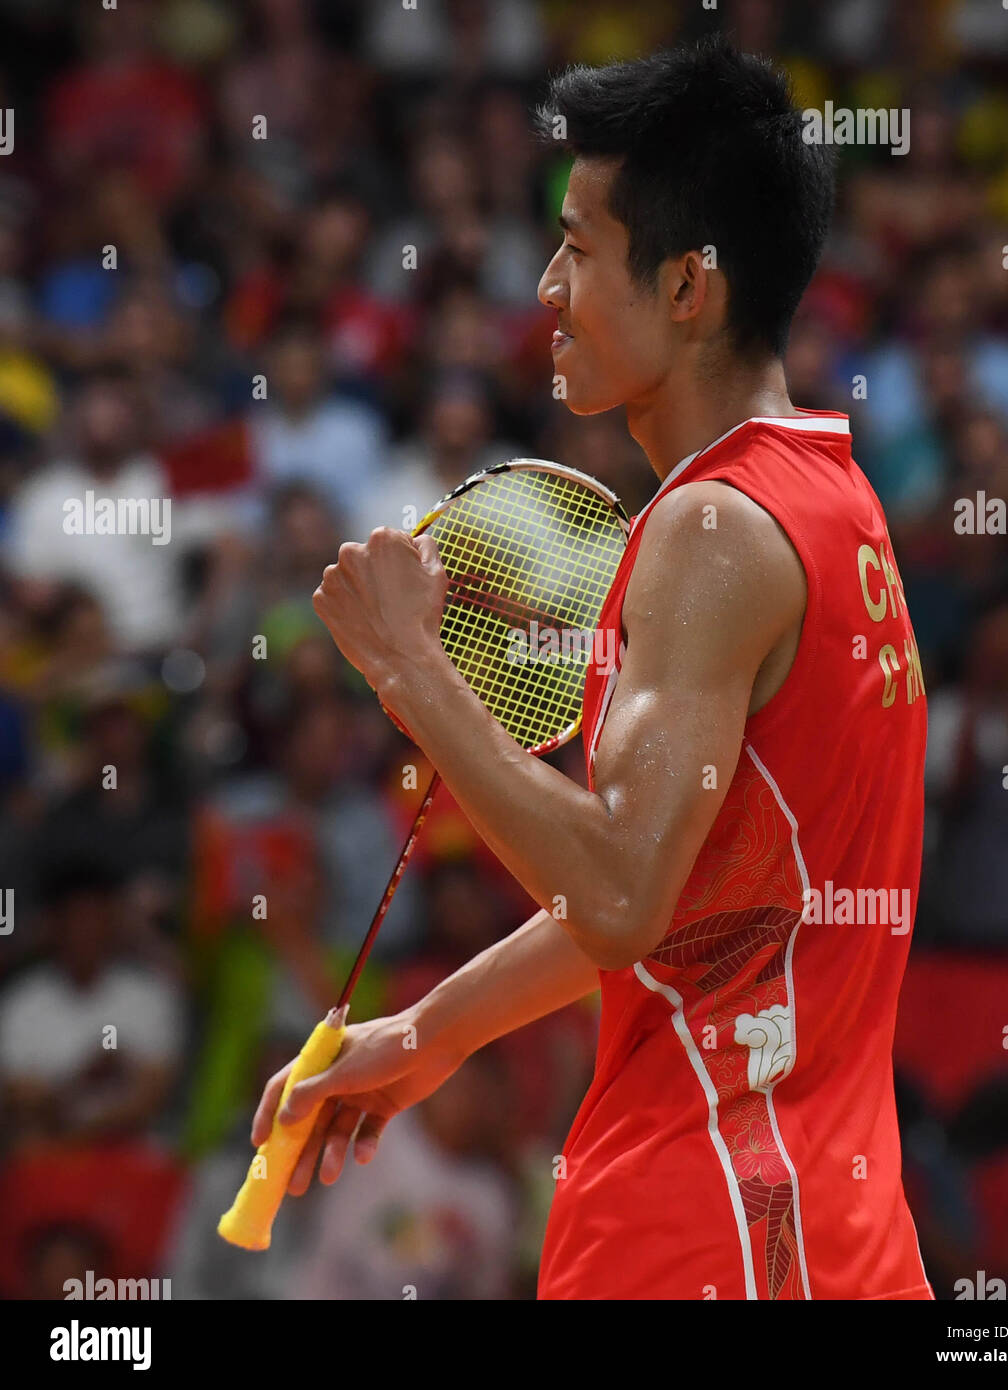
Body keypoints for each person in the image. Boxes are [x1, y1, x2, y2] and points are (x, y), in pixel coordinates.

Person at [252, 36, 932, 1301]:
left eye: (576, 246)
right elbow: (686, 905)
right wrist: (426, 1034)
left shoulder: (712, 528)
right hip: (827, 1222)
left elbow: (618, 894)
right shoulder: (835, 503)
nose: (547, 286)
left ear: (686, 286)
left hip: (698, 1222)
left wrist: (411, 669)